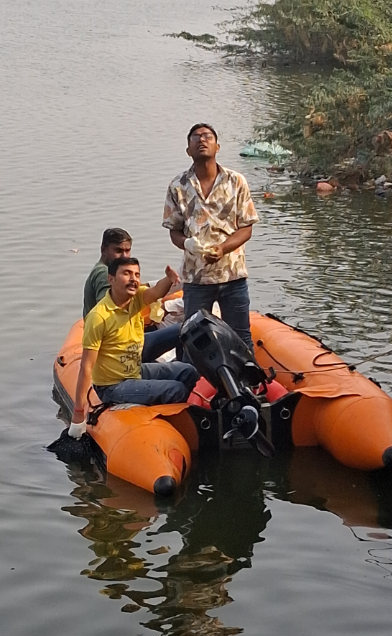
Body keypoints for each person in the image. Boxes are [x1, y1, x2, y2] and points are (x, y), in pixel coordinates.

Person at [68, 257, 199, 438]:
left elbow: (156, 291)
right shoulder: (99, 317)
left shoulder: (136, 300)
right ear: (111, 279)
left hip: (135, 371)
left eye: (137, 274)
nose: (133, 279)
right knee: (176, 389)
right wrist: (78, 412)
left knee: (188, 371)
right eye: (126, 273)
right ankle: (167, 426)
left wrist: (169, 279)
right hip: (112, 386)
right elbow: (86, 366)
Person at [163, 123, 260, 351]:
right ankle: (191, 385)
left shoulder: (236, 181)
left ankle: (249, 387)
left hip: (232, 275)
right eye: (195, 137)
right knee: (194, 340)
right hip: (196, 279)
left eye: (207, 136)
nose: (201, 140)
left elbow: (246, 228)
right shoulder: (178, 186)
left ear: (217, 146)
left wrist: (222, 249)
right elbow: (173, 231)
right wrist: (188, 244)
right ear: (188, 150)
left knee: (240, 339)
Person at [83, 227, 181, 362]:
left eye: (127, 251)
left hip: (128, 341)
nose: (124, 256)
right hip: (119, 348)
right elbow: (107, 311)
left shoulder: (108, 270)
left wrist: (169, 279)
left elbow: (154, 292)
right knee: (184, 330)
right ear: (104, 250)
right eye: (118, 251)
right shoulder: (105, 274)